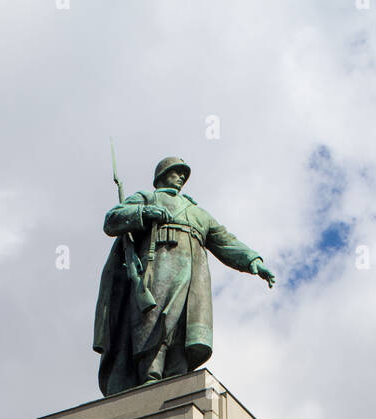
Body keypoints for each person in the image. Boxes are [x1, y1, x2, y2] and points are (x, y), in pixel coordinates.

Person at [93, 156, 275, 396]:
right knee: (155, 320)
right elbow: (112, 219)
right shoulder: (148, 197)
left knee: (182, 325)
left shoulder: (198, 212)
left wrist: (253, 260)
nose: (181, 177)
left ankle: (176, 377)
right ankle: (151, 375)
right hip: (158, 265)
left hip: (193, 276)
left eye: (183, 174)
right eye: (176, 172)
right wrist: (145, 212)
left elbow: (225, 241)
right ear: (161, 175)